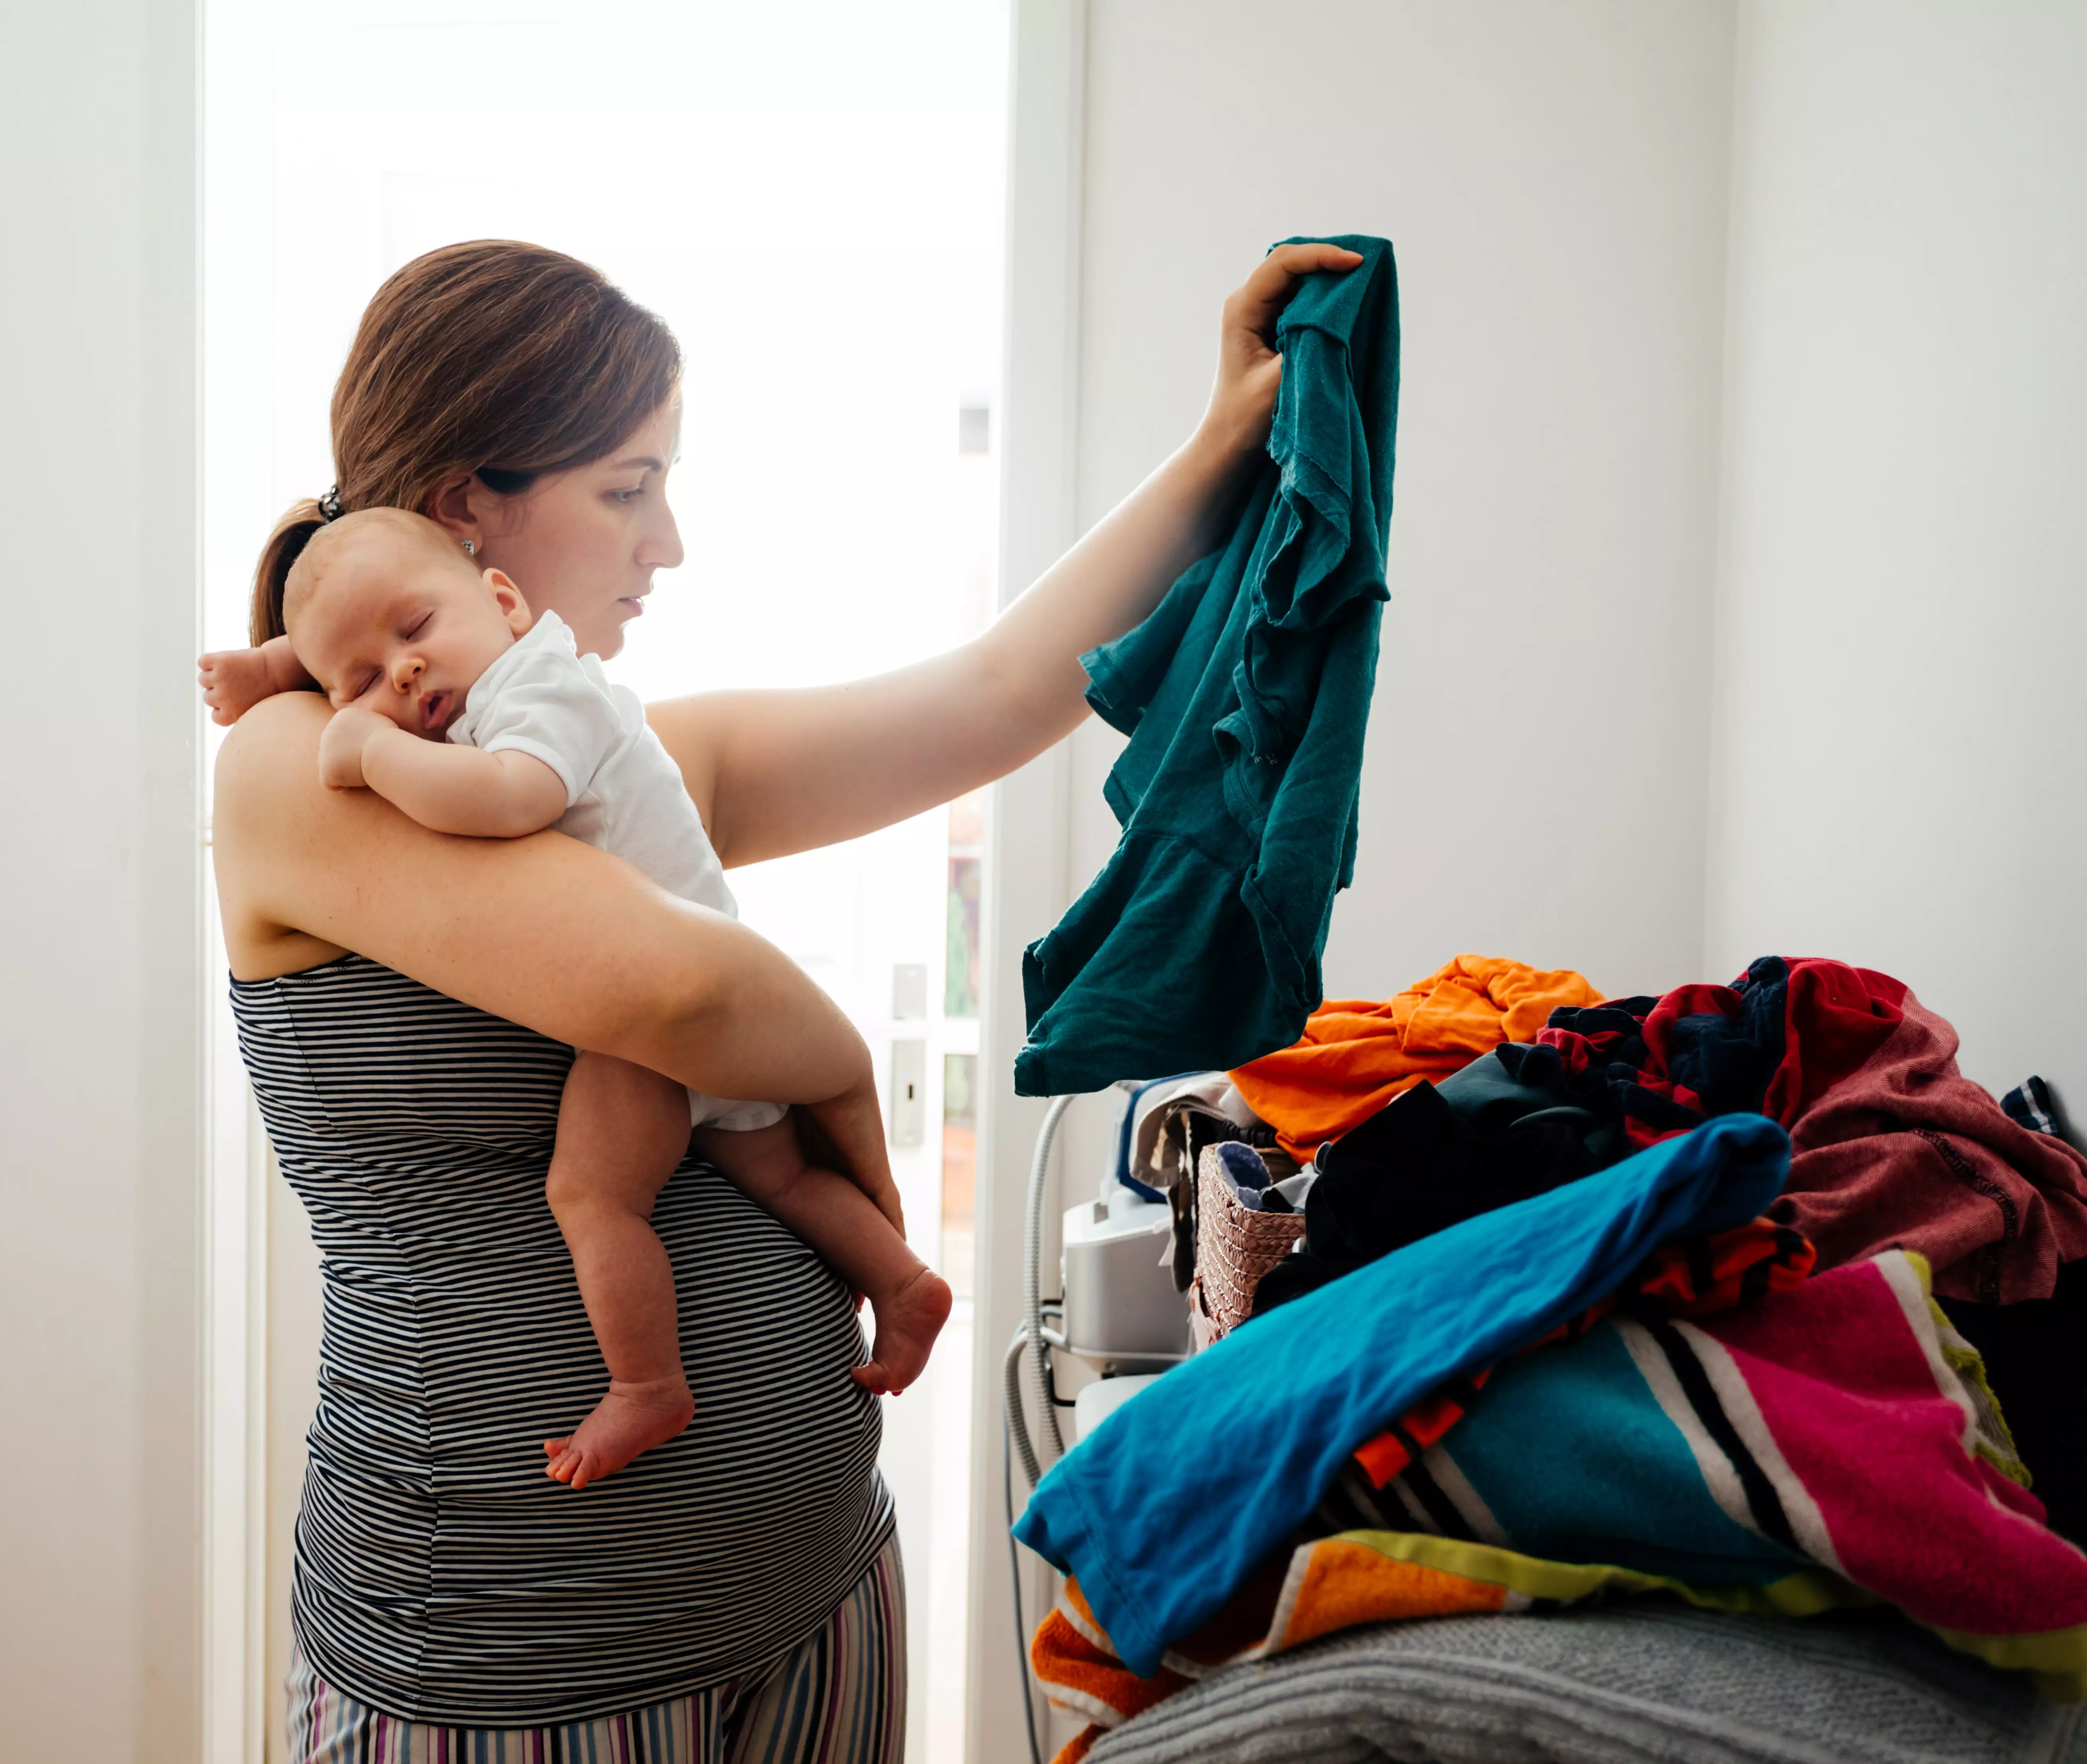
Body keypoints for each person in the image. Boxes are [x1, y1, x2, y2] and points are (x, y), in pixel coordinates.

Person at [210, 235, 1360, 1762]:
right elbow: (682, 994)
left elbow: (1004, 686)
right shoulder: (309, 764)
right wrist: (841, 1084)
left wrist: (1227, 437)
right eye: (627, 488)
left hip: (816, 1588)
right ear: (463, 515)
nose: (665, 542)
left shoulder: (619, 760)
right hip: (512, 1651)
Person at [218, 503, 955, 1491]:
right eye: (357, 680)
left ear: (506, 600)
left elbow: (511, 798)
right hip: (696, 1020)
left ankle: (650, 1381)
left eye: (417, 633)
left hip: (658, 1037)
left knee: (593, 1191)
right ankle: (905, 1284)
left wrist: (375, 748)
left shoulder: (543, 687)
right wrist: (279, 672)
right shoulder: (479, 671)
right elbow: (376, 620)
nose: (399, 675)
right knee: (781, 1179)